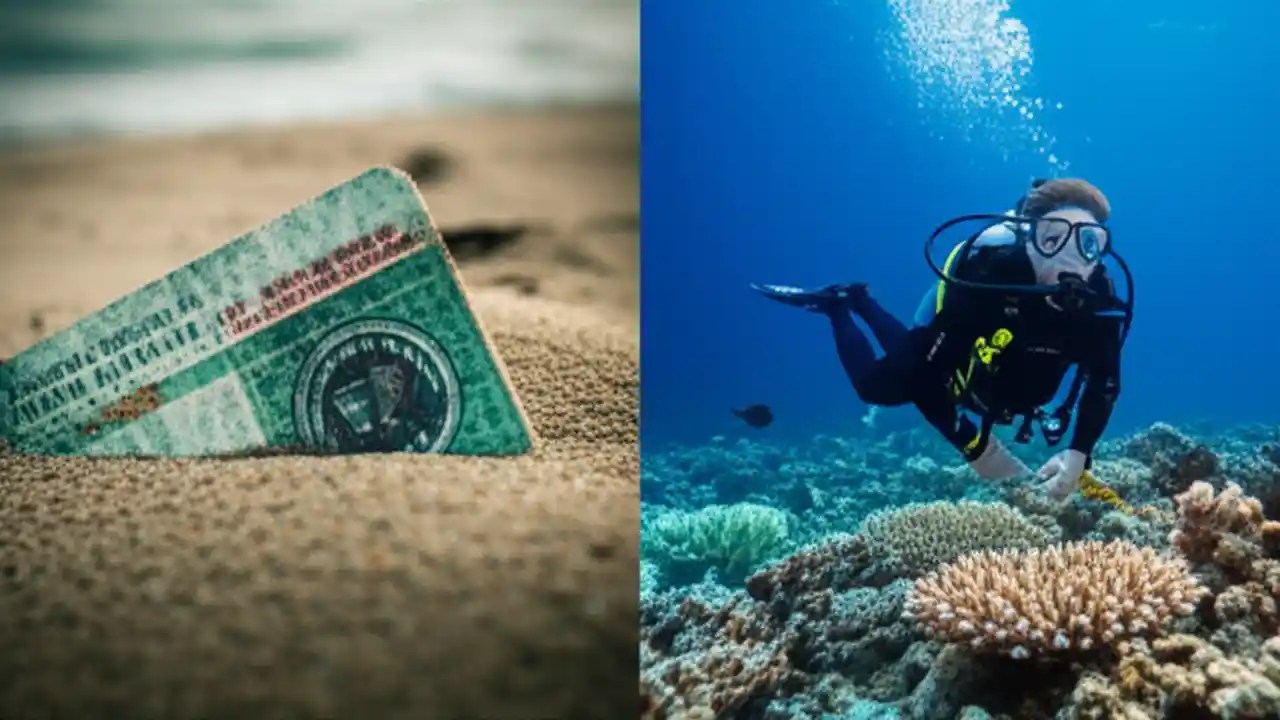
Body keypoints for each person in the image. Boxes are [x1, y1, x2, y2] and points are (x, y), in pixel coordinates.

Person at [753, 178, 1130, 500]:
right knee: (876, 388)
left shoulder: (1099, 302)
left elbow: (1105, 383)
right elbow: (926, 378)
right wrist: (982, 452)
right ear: (1030, 240)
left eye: (1089, 243)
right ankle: (839, 307)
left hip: (983, 379)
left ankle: (861, 299)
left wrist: (1079, 453)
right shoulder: (990, 280)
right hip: (953, 363)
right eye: (1053, 238)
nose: (1071, 258)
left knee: (912, 354)